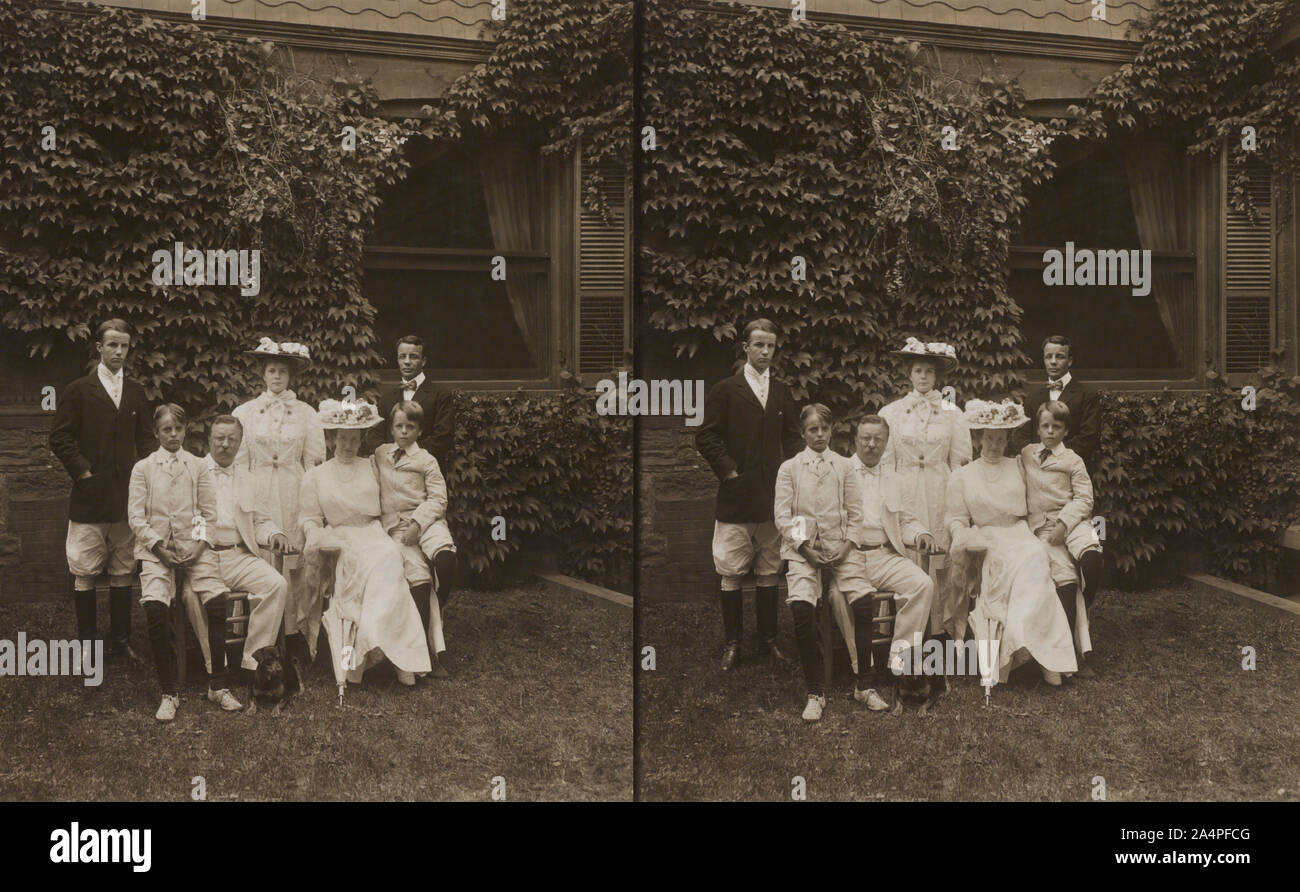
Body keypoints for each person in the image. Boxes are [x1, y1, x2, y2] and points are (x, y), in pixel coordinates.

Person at [943, 399, 1077, 690]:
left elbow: (1045, 496)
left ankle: (1043, 654)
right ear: (978, 439)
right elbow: (955, 517)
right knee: (1000, 569)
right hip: (985, 538)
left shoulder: (1018, 465)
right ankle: (1022, 648)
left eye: (1000, 439)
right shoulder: (962, 475)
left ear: (1007, 440)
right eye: (988, 438)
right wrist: (963, 536)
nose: (993, 444)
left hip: (1018, 532)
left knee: (1035, 560)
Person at [298, 400, 431, 687]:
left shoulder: (372, 465)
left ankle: (398, 655)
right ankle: (377, 647)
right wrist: (318, 538)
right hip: (339, 537)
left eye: (354, 439)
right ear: (332, 438)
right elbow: (309, 518)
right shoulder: (316, 476)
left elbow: (397, 497)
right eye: (342, 438)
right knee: (358, 570)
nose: (348, 444)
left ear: (361, 440)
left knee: (388, 559)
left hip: (372, 532)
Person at [695, 318, 802, 671]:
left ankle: (768, 641)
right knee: (731, 569)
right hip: (737, 496)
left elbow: (792, 440)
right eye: (758, 345)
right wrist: (730, 471)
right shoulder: (726, 389)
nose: (765, 352)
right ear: (746, 348)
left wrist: (790, 477)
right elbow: (707, 436)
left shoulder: (784, 391)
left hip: (772, 498)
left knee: (769, 568)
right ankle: (733, 643)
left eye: (770, 346)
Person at [49, 318, 155, 662]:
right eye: (112, 345)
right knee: (85, 570)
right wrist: (84, 473)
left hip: (126, 498)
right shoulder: (79, 389)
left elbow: (146, 442)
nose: (118, 352)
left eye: (124, 346)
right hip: (90, 497)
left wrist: (147, 480)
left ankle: (121, 641)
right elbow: (60, 437)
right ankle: (87, 646)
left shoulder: (137, 392)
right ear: (99, 348)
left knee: (123, 567)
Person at [180, 415, 294, 709]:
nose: (225, 444)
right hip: (202, 555)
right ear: (209, 440)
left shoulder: (249, 479)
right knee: (190, 596)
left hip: (238, 554)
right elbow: (181, 519)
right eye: (219, 438)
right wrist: (196, 548)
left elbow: (261, 521)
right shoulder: (192, 472)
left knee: (277, 584)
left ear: (240, 442)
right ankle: (213, 666)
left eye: (231, 439)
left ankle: (250, 662)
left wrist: (276, 534)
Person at [773, 404, 870, 722]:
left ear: (831, 431)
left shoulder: (844, 467)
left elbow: (855, 513)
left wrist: (844, 547)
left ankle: (864, 684)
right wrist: (806, 548)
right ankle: (815, 692)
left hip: (841, 550)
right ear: (803, 433)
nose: (819, 435)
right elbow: (784, 516)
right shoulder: (790, 469)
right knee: (801, 608)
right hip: (804, 553)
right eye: (812, 429)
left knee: (864, 602)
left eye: (824, 429)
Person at [231, 338, 324, 661]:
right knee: (263, 555)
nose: (277, 377)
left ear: (291, 376)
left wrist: (313, 500)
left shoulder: (307, 413)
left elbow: (314, 462)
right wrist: (243, 495)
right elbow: (238, 462)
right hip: (258, 488)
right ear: (262, 373)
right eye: (271, 370)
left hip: (293, 488)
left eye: (283, 371)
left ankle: (294, 633)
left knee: (295, 560)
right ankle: (263, 636)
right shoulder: (244, 412)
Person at [126, 404, 220, 721]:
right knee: (155, 608)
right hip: (156, 553)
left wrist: (196, 546)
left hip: (193, 550)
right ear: (156, 433)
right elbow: (136, 518)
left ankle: (217, 684)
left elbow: (207, 512)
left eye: (178, 429)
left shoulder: (197, 466)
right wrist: (159, 548)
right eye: (167, 429)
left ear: (186, 430)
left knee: (217, 600)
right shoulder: (143, 469)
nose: (174, 435)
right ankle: (169, 691)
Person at [845, 415, 942, 710]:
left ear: (887, 444)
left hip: (885, 554)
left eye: (878, 439)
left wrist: (922, 534)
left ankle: (900, 663)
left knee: (923, 584)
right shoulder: (840, 471)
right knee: (844, 598)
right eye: (866, 438)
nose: (872, 445)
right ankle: (862, 668)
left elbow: (907, 521)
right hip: (849, 556)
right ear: (856, 439)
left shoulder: (895, 480)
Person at [877, 338, 971, 631]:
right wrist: (890, 495)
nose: (923, 377)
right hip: (904, 488)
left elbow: (961, 462)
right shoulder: (890, 413)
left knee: (941, 554)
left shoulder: (953, 412)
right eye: (918, 370)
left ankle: (941, 627)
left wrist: (958, 501)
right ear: (909, 373)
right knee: (907, 552)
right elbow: (885, 463)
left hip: (939, 488)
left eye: (929, 372)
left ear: (936, 376)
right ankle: (906, 625)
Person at [373, 400, 457, 679]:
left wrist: (419, 524)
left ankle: (441, 599)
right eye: (399, 426)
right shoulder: (380, 454)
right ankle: (422, 650)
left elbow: (438, 499)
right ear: (391, 428)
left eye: (410, 427)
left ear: (419, 430)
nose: (404, 432)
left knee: (445, 559)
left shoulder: (426, 459)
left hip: (426, 519)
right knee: (418, 579)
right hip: (397, 527)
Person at [1020, 400, 1102, 678]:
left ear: (1066, 430)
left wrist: (1065, 524)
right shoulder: (1027, 454)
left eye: (1057, 427)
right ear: (1038, 428)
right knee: (1066, 579)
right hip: (1043, 527)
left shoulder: (1073, 459)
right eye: (1045, 426)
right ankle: (1073, 651)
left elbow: (1085, 499)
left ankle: (1088, 598)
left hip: (1074, 519)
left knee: (1092, 559)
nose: (1050, 432)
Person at [1017, 335, 1102, 469]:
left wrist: (1054, 456)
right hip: (1036, 468)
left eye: (1060, 357)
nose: (1053, 361)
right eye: (1048, 356)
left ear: (1070, 361)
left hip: (1070, 468)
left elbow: (1089, 437)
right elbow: (1022, 435)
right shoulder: (1033, 397)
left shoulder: (1087, 395)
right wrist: (1036, 457)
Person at [372, 335, 455, 470]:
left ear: (423, 361)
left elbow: (443, 437)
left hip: (424, 469)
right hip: (389, 469)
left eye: (413, 357)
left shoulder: (440, 395)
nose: (407, 361)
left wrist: (408, 455)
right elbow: (375, 435)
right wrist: (389, 455)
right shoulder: (386, 397)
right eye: (402, 356)